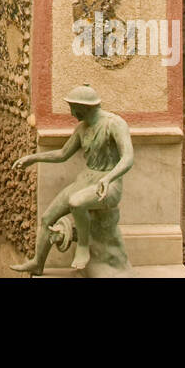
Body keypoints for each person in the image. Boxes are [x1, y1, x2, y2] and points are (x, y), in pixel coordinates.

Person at [11, 84, 133, 275]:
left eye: (73, 108)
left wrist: (109, 179)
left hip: (110, 184)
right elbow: (62, 154)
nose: (71, 113)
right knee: (47, 218)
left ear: (85, 107)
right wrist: (32, 158)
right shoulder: (82, 128)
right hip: (86, 180)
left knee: (76, 202)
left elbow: (128, 158)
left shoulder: (114, 124)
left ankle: (82, 246)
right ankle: (38, 262)